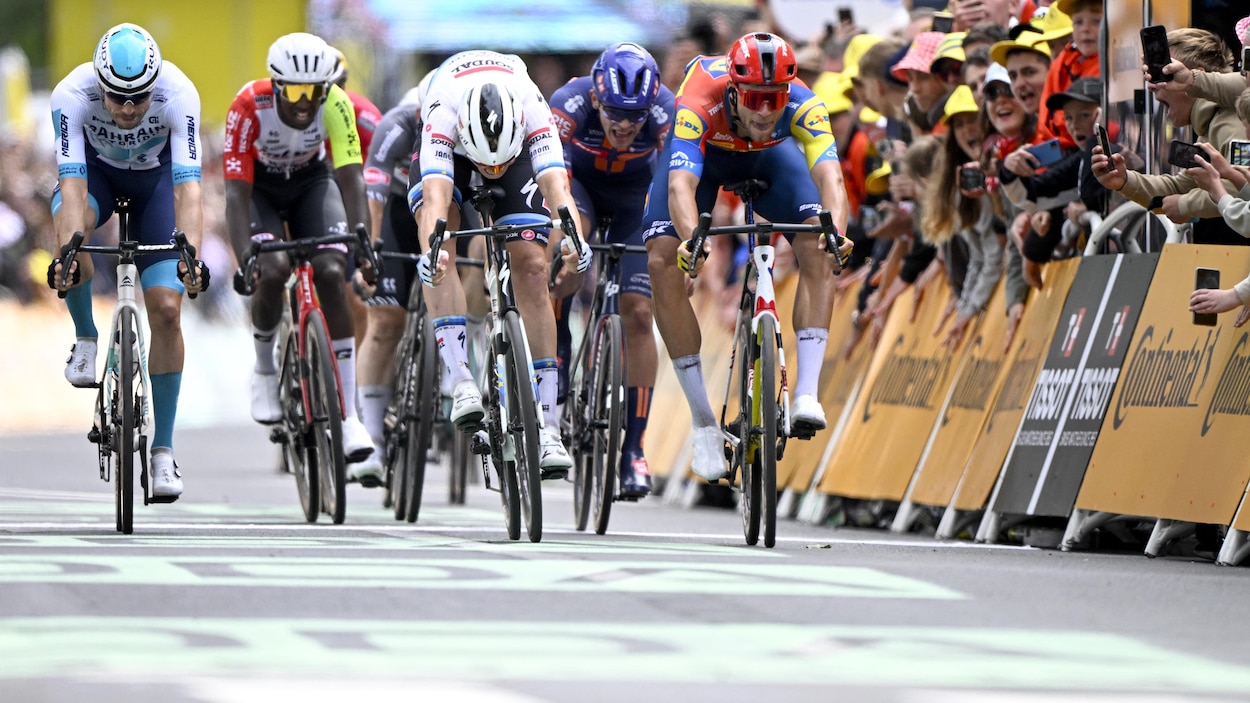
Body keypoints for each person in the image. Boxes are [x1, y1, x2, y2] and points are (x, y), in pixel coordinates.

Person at [641, 32, 854, 482]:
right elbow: (681, 185)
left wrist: (837, 232)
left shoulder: (805, 101)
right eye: (754, 98)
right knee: (662, 261)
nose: (764, 111)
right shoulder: (701, 92)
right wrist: (689, 241)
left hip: (770, 162)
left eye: (774, 99)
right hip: (706, 164)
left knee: (820, 244)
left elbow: (830, 176)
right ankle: (703, 424)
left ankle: (806, 395)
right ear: (735, 91)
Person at [47, 23, 209, 501]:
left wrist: (191, 257)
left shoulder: (180, 94)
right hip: (94, 176)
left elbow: (189, 189)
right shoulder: (70, 95)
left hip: (154, 185)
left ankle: (162, 452)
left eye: (139, 98)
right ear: (100, 84)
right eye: (117, 98)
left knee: (166, 309)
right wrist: (69, 250)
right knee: (70, 248)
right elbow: (73, 184)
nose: (128, 109)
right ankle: (85, 336)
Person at [411, 49, 590, 480]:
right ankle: (460, 380)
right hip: (454, 154)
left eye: (500, 163)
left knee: (531, 266)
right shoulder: (443, 111)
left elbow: (558, 190)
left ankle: (548, 425)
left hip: (517, 146)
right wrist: (429, 252)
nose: (492, 170)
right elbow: (435, 198)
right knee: (442, 245)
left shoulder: (532, 107)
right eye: (488, 164)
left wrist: (576, 241)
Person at [223, 32, 377, 482]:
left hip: (312, 181)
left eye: (315, 91)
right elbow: (235, 195)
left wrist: (362, 238)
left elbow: (351, 177)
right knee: (271, 270)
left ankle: (348, 417)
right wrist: (244, 257)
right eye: (294, 91)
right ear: (276, 85)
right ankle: (266, 369)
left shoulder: (336, 103)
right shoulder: (248, 106)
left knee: (331, 270)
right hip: (261, 191)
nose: (306, 102)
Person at [548, 42, 675, 498]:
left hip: (634, 200)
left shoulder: (665, 109)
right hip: (578, 189)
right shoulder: (569, 102)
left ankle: (633, 449)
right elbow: (553, 179)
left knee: (640, 312)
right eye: (616, 114)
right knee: (567, 252)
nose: (625, 126)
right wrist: (569, 240)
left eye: (636, 116)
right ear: (598, 100)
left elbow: (678, 183)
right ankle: (556, 353)